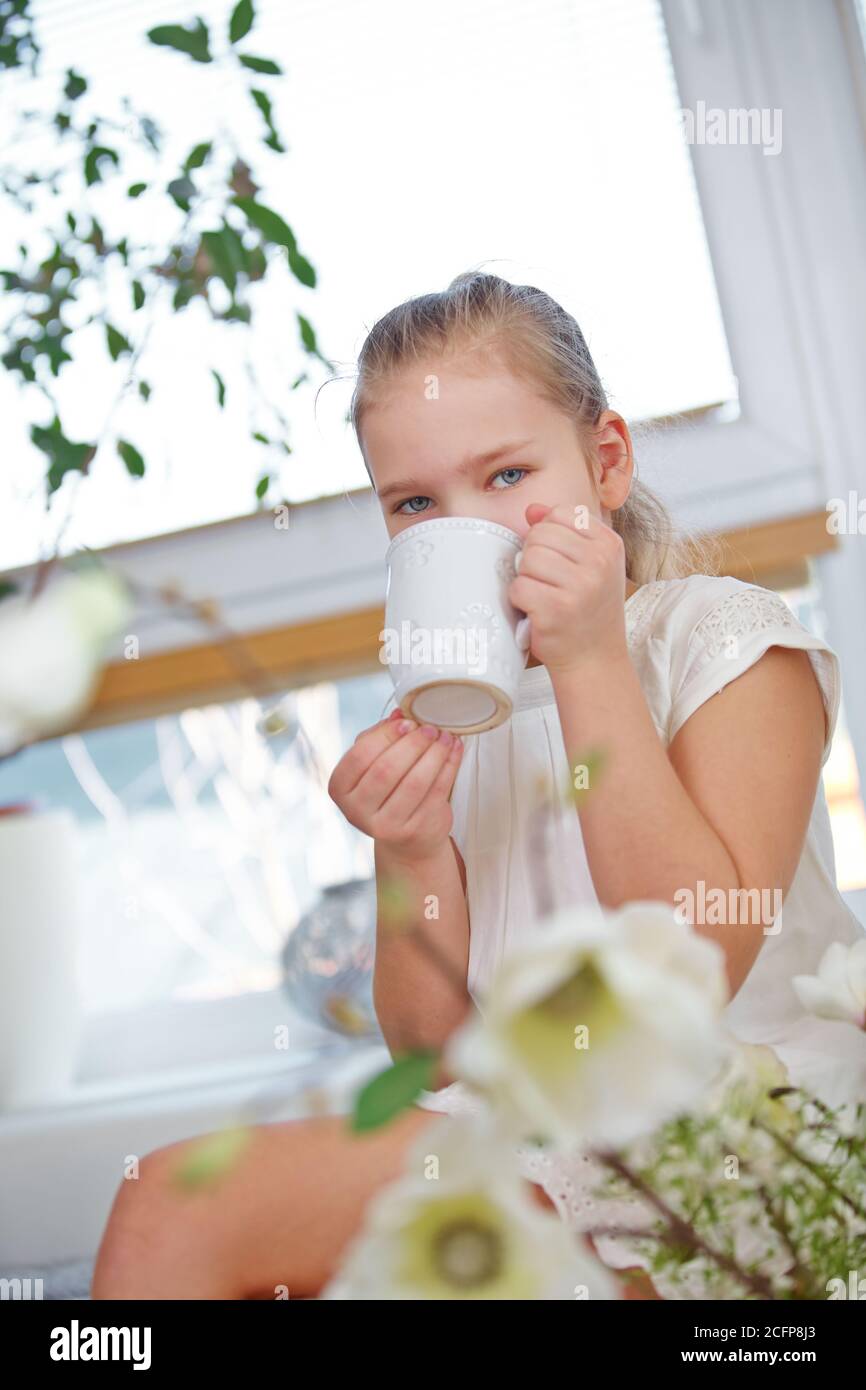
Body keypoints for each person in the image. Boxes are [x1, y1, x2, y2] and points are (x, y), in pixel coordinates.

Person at [91, 271, 865, 1301]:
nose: (470, 527)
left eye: (505, 475)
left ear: (605, 461)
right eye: (416, 503)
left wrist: (588, 660)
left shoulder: (720, 639)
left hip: (738, 1123)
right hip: (529, 1135)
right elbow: (435, 1060)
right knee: (164, 1199)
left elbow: (693, 965)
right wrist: (408, 849)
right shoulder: (448, 712)